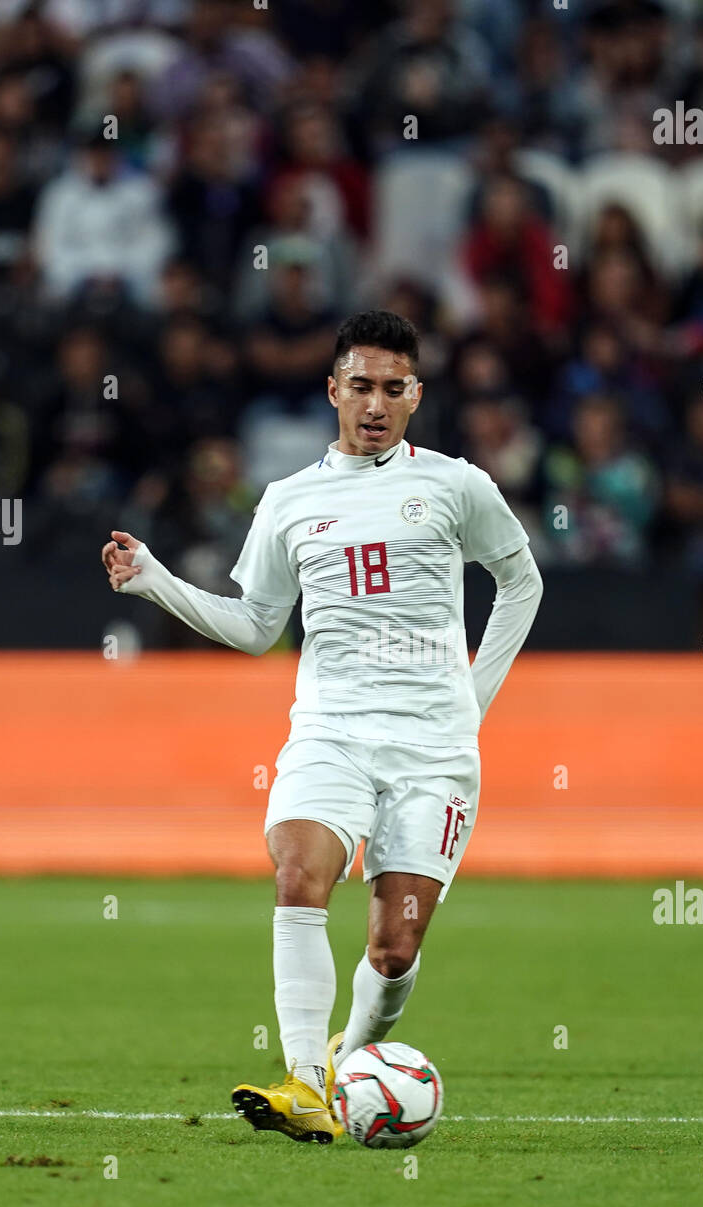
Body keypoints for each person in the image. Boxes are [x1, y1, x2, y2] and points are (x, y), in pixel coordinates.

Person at [100, 310, 543, 1144]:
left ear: (416, 395)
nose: (375, 404)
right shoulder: (289, 501)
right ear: (332, 389)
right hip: (330, 731)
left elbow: (521, 585)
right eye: (361, 386)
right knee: (298, 871)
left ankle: (353, 1054)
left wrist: (470, 702)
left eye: (393, 388)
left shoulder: (457, 486)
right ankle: (306, 1085)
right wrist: (153, 579)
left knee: (393, 951)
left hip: (431, 749)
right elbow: (257, 625)